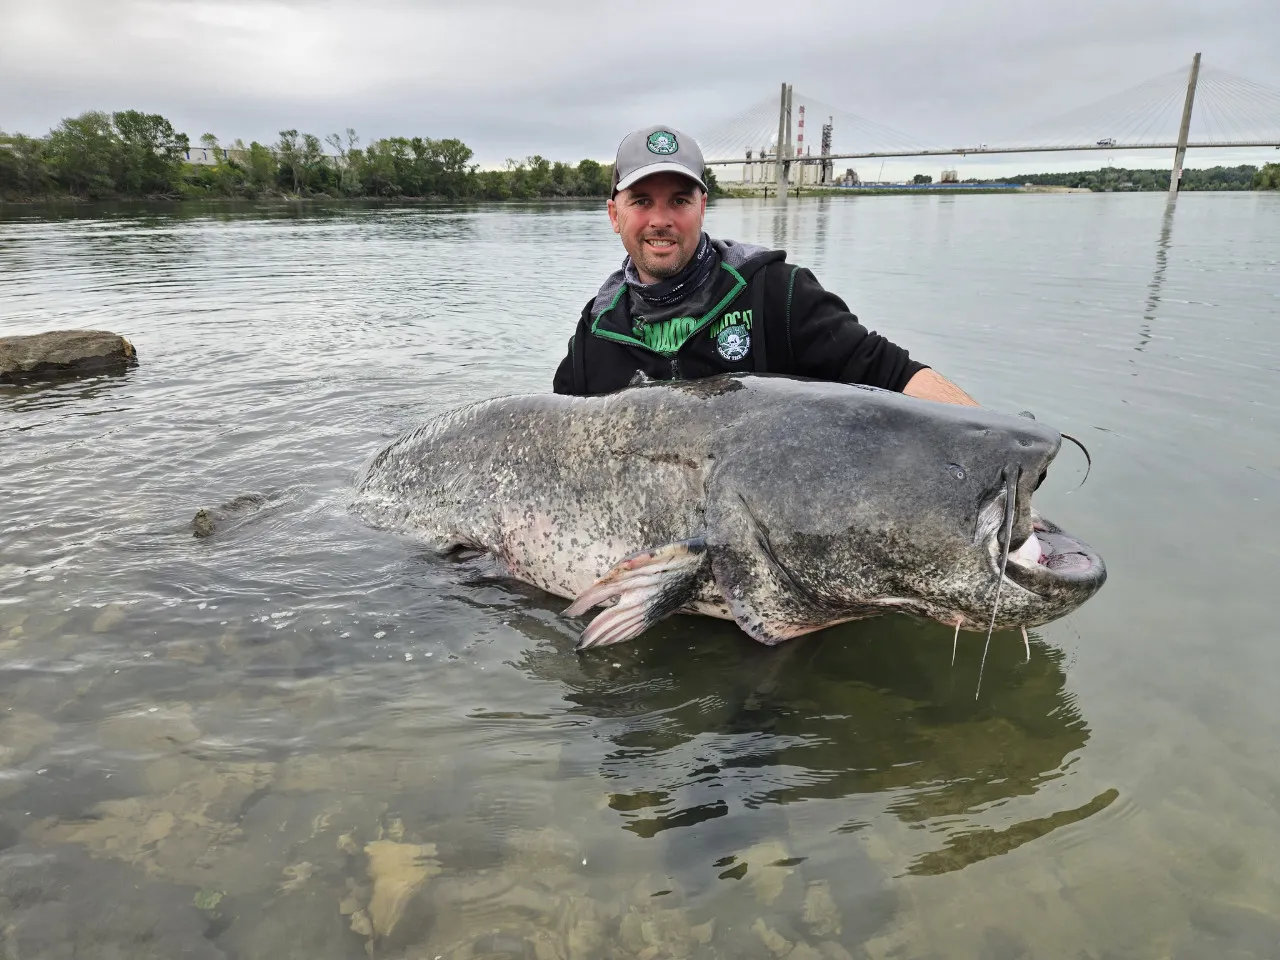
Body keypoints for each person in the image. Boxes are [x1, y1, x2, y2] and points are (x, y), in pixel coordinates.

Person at [552, 124, 978, 406]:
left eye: (679, 200)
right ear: (614, 215)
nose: (661, 220)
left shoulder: (778, 293)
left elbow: (894, 374)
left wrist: (996, 441)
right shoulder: (596, 331)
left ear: (702, 207)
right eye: (642, 201)